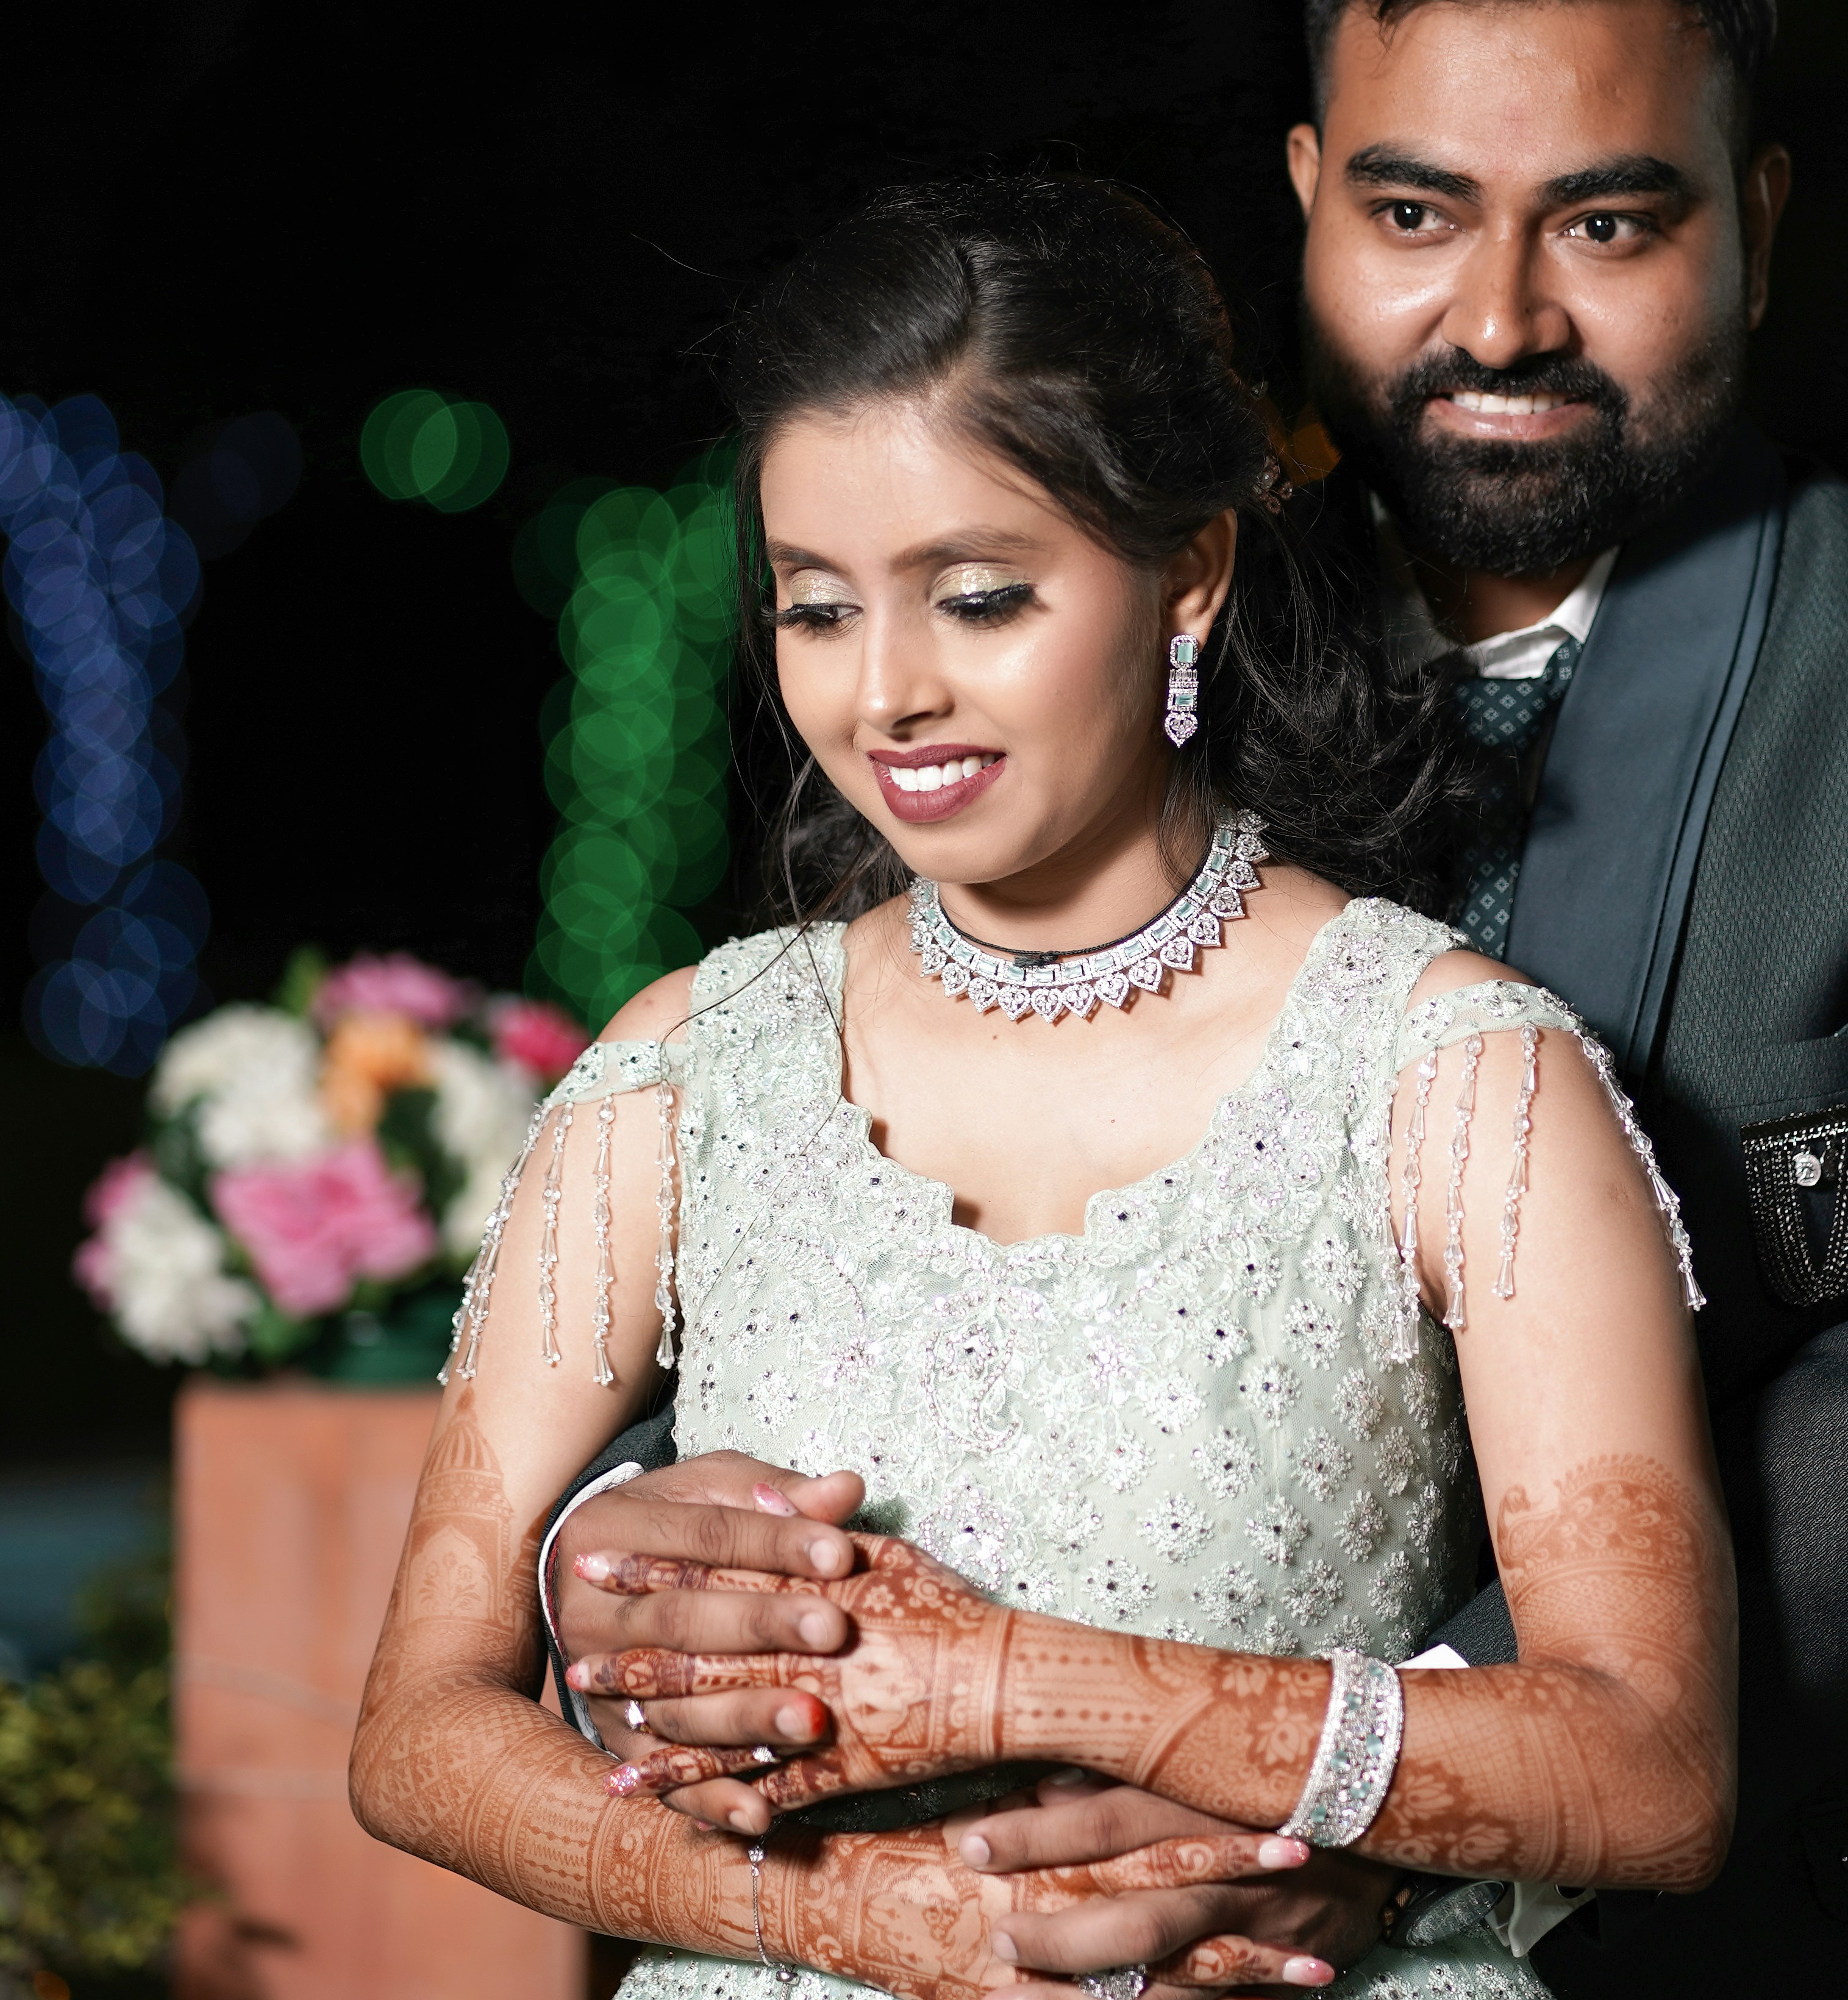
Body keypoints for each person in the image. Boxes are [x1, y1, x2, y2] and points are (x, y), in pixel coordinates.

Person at [546, 0, 1848, 1995]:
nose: (1505, 315)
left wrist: (1390, 1779)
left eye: (1608, 220)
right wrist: (622, 1537)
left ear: (1762, 224)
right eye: (1416, 214)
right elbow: (833, 1143)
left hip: (1833, 1923)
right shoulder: (1101, 619)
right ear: (1312, 196)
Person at [347, 171, 1738, 1997]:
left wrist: (1011, 1683)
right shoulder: (679, 1073)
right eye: (817, 609)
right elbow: (412, 1738)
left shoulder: (1455, 1080)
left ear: (1190, 580)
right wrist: (824, 1920)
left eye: (981, 596)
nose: (889, 694)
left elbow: (1651, 1775)